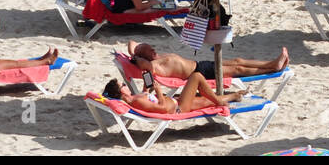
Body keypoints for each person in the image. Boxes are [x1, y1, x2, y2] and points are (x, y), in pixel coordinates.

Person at [127, 40, 288, 81]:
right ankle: (273, 68)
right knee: (238, 70)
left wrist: (137, 52)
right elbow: (138, 56)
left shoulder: (157, 58)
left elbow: (131, 43)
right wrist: (136, 57)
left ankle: (272, 63)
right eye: (150, 50)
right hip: (200, 74)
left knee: (237, 60)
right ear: (144, 56)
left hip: (201, 65)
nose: (154, 50)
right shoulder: (153, 65)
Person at [101, 73, 246, 114]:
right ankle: (221, 101)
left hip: (176, 102)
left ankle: (234, 96)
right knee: (196, 77)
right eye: (123, 85)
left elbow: (148, 99)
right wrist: (158, 91)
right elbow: (162, 109)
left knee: (206, 100)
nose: (126, 85)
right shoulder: (136, 102)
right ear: (121, 91)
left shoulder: (134, 98)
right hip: (177, 109)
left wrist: (146, 88)